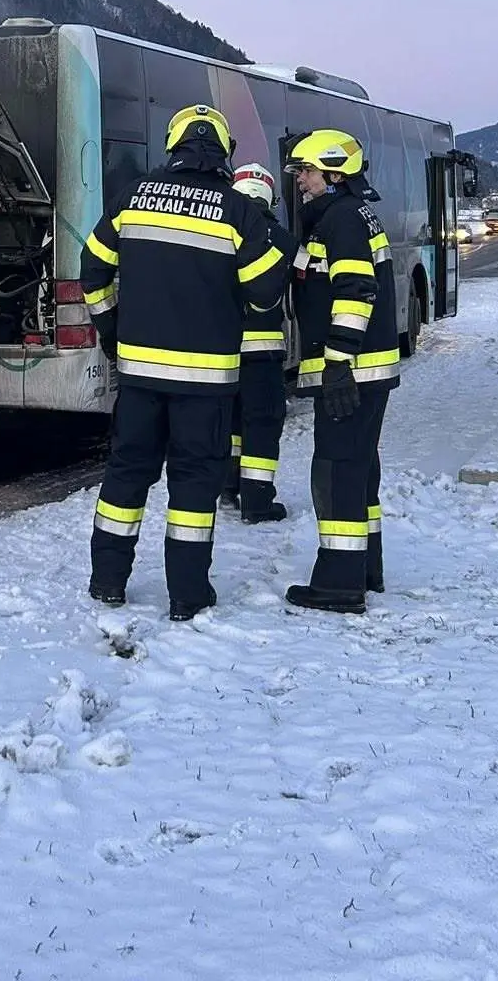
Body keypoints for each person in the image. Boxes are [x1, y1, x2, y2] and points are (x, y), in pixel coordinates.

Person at [81, 105, 288, 621]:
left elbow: (92, 269)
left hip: (139, 377)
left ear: (173, 146)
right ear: (224, 153)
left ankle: (108, 581)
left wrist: (110, 329)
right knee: (195, 485)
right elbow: (265, 296)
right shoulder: (237, 210)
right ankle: (187, 595)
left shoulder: (134, 197)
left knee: (126, 476)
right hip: (205, 381)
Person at [284, 130, 400, 615]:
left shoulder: (343, 220)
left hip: (351, 372)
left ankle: (337, 583)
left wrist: (337, 364)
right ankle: (365, 569)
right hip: (366, 370)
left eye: (306, 171)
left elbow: (354, 292)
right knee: (358, 469)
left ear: (335, 174)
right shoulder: (347, 215)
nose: (300, 181)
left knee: (336, 471)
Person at [223, 162, 293, 523]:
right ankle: (257, 501)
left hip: (222, 352)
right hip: (263, 353)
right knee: (262, 424)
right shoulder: (280, 238)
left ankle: (228, 487)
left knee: (232, 422)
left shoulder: (220, 234)